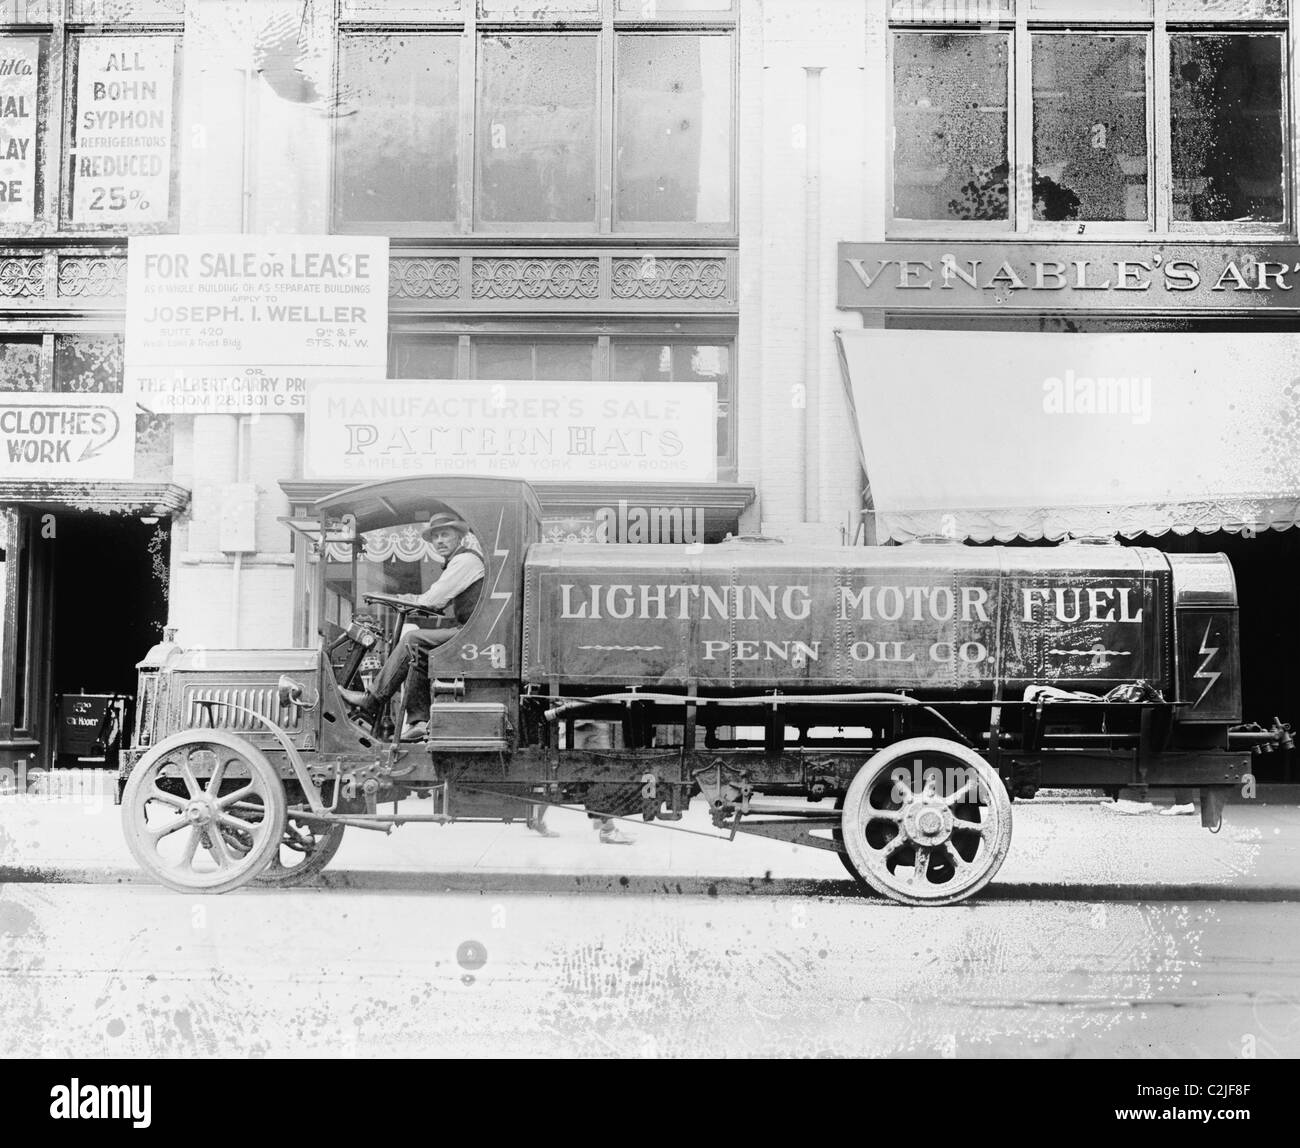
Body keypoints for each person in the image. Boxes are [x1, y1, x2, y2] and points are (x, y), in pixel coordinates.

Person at [339, 512, 484, 740]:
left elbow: (432, 600)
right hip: (471, 633)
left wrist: (396, 597)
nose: (439, 541)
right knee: (417, 651)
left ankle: (371, 700)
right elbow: (431, 601)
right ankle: (418, 722)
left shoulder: (465, 560)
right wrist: (402, 598)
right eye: (435, 537)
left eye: (445, 534)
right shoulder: (459, 560)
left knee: (411, 640)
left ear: (458, 537)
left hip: (473, 636)